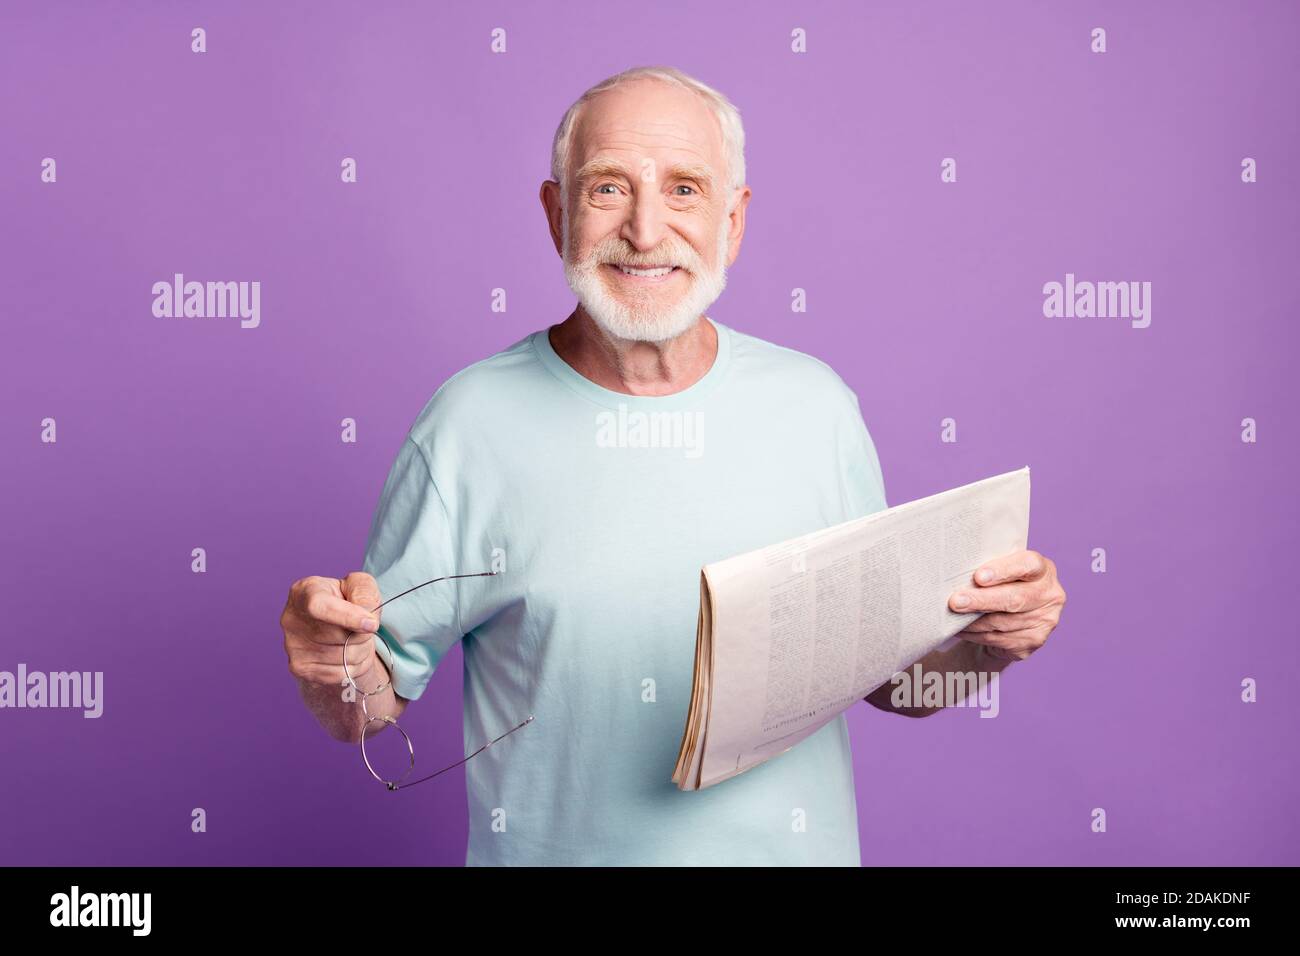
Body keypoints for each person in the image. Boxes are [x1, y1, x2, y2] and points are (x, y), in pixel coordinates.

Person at [280, 66, 1067, 865]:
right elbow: (368, 708)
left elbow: (889, 684)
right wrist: (330, 671)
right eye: (607, 189)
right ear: (557, 216)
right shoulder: (465, 426)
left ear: (734, 220)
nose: (647, 231)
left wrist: (983, 647)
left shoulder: (816, 408)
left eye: (685, 190)